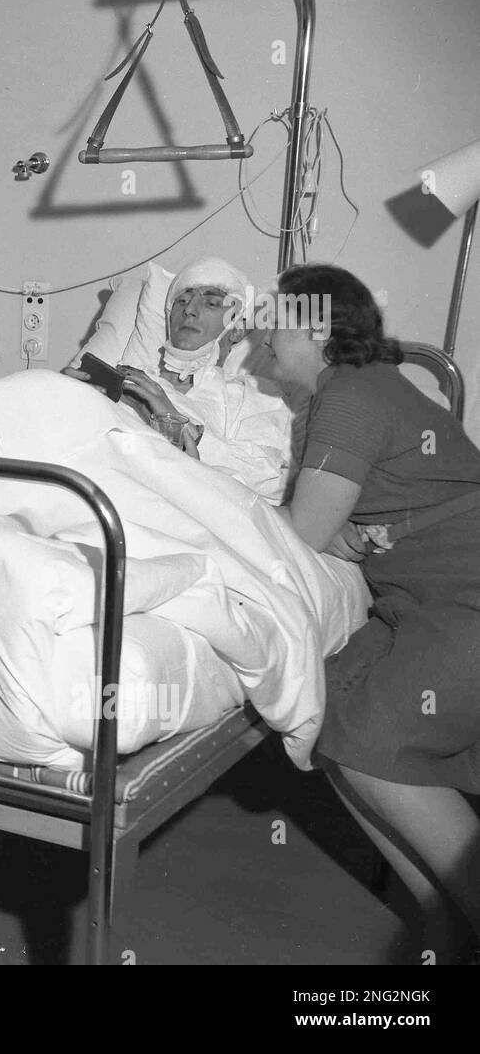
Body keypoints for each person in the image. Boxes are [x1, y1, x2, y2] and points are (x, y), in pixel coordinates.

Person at [271, 261, 479, 964]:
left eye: (279, 315)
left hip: (467, 597)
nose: (265, 329)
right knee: (330, 714)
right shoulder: (356, 394)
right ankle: (443, 926)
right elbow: (339, 521)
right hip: (427, 602)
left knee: (377, 737)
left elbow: (300, 531)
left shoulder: (352, 396)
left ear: (319, 327)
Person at [69, 256, 294, 503]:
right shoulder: (128, 379)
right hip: (93, 493)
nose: (189, 310)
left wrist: (177, 424)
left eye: (210, 303)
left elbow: (271, 483)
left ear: (237, 329)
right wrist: (71, 397)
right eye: (182, 302)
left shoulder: (253, 396)